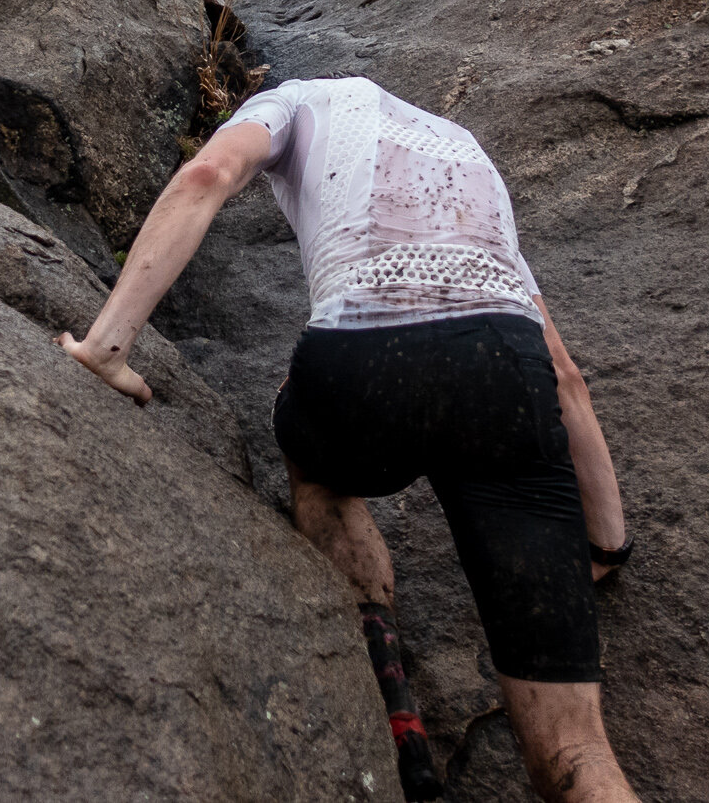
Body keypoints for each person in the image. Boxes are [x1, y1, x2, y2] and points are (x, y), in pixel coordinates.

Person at [57, 76, 640, 803]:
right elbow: (564, 374)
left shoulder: (296, 100)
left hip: (361, 363)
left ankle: (379, 655)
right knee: (575, 747)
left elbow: (207, 173)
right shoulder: (466, 153)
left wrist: (105, 349)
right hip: (504, 371)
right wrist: (605, 543)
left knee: (316, 459)